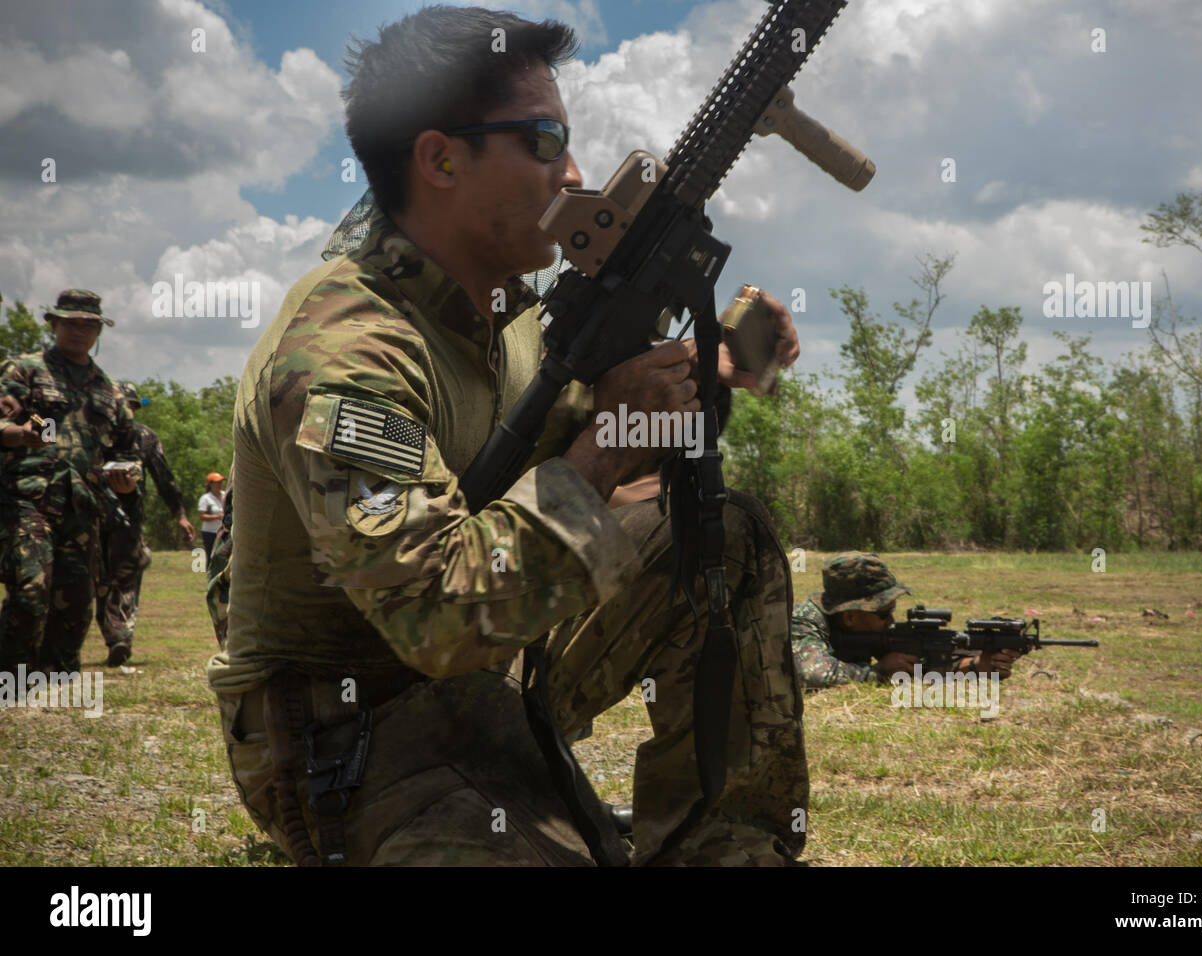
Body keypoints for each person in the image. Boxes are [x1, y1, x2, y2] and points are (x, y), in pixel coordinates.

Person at [206, 5, 807, 867]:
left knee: (725, 536)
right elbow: (438, 619)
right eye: (542, 140)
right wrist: (603, 443)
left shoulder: (515, 322)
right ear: (440, 158)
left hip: (494, 680)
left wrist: (704, 368)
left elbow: (606, 482)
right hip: (353, 732)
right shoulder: (341, 351)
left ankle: (728, 850)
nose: (574, 173)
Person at [0, 289, 139, 673]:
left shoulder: (107, 389)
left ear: (99, 331)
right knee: (30, 592)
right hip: (28, 501)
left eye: (88, 325)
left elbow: (128, 449)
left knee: (76, 601)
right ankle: (11, 676)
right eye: (70, 323)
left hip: (83, 507)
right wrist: (19, 434)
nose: (79, 331)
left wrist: (127, 478)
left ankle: (56, 681)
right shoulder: (23, 369)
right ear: (53, 324)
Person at [792, 552, 1021, 690]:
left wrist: (974, 666)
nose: (891, 620)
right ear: (850, 616)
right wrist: (877, 673)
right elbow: (813, 674)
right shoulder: (805, 620)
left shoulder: (868, 631)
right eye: (883, 614)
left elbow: (919, 667)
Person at [95, 382, 196, 665]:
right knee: (99, 581)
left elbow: (165, 479)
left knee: (127, 575)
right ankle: (112, 634)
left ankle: (120, 639)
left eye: (131, 406)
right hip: (91, 517)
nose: (126, 411)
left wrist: (180, 515)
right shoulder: (93, 434)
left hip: (129, 520)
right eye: (121, 405)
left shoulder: (146, 438)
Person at [198, 473, 225, 559]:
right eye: (217, 482)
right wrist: (217, 516)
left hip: (224, 532)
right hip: (210, 533)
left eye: (221, 482)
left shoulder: (225, 495)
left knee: (224, 557)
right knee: (211, 556)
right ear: (210, 484)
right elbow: (202, 516)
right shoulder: (205, 498)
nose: (220, 484)